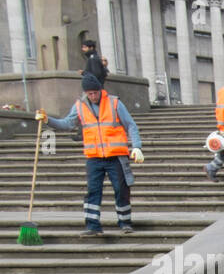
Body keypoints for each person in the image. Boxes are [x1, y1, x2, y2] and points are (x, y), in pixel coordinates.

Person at [35, 73, 144, 237]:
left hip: (116, 156)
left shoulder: (114, 103)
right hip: (94, 157)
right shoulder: (79, 106)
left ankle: (125, 222)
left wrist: (137, 147)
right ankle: (92, 225)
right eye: (89, 93)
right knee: (93, 190)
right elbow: (67, 124)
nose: (92, 96)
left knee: (121, 189)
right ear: (85, 92)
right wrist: (47, 119)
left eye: (95, 92)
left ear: (100, 90)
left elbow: (131, 125)